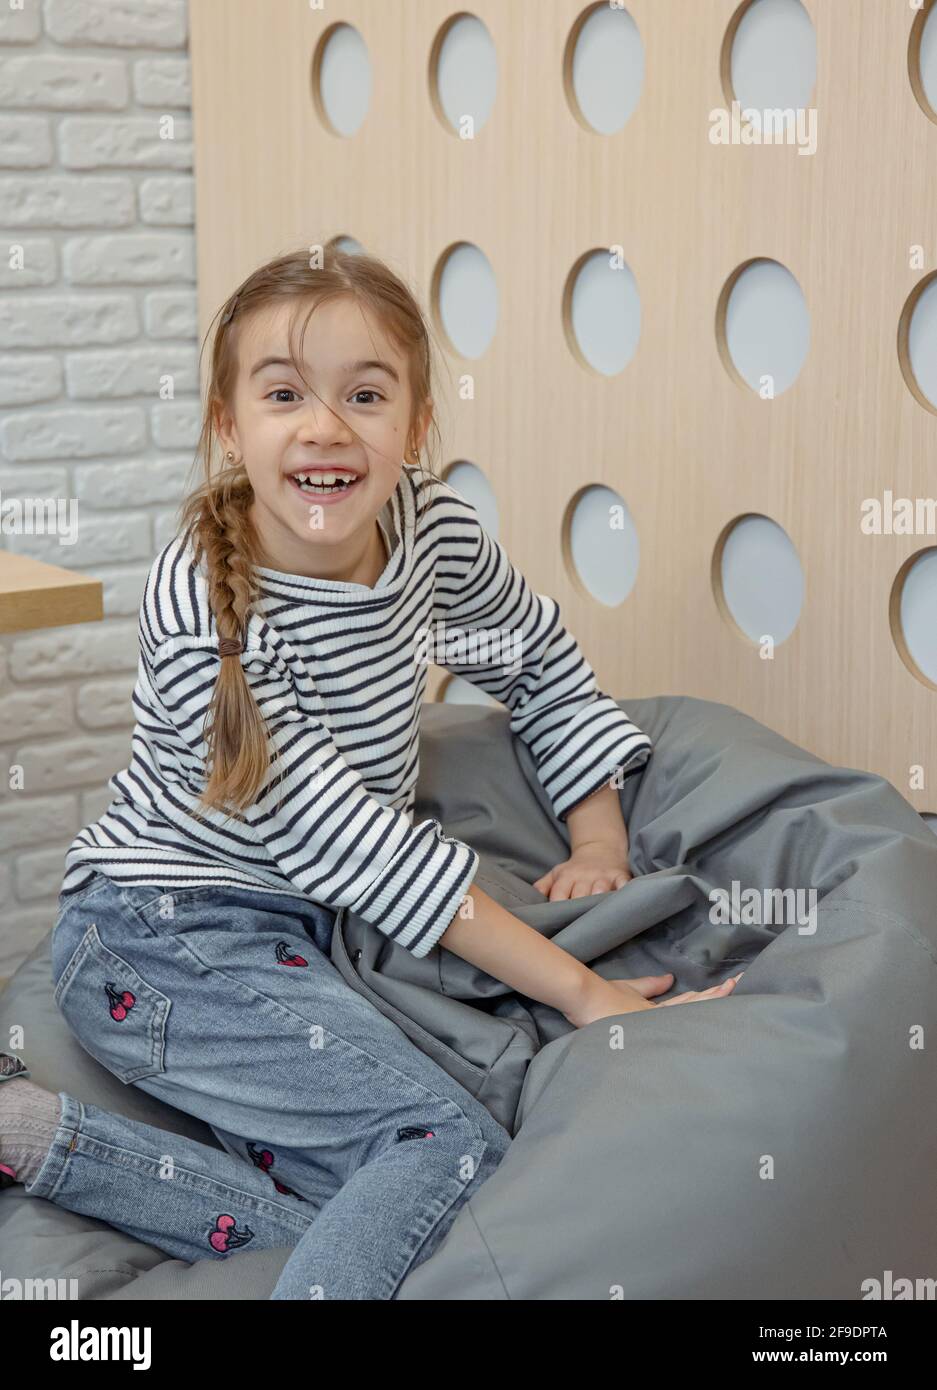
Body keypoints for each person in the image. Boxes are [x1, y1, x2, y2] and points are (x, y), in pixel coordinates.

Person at [0, 241, 741, 1300]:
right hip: (160, 940)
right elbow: (356, 849)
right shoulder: (203, 610)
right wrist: (581, 993)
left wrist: (598, 836)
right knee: (446, 1149)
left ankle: (34, 1135)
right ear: (228, 425)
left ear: (416, 427)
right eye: (284, 393)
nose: (324, 426)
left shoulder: (428, 529)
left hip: (296, 934)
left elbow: (533, 657)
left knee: (368, 1194)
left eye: (364, 393)